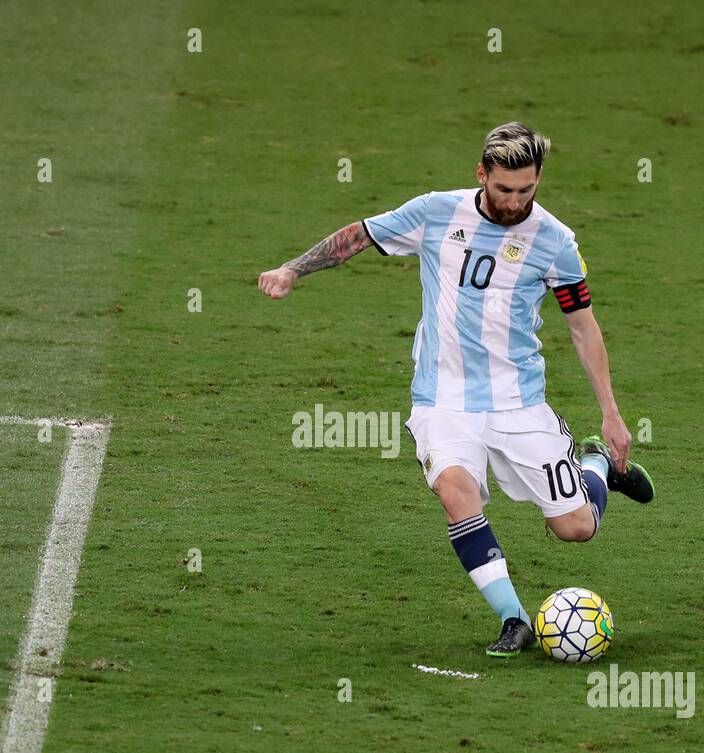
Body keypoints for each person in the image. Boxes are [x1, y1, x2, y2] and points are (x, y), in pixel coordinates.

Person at [258, 121, 654, 657]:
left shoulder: (556, 242)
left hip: (518, 402)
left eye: (527, 190)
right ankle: (513, 618)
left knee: (576, 529)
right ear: (481, 174)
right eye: (504, 189)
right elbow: (359, 235)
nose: (515, 201)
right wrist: (292, 269)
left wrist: (611, 412)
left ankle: (596, 465)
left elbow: (583, 326)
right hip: (441, 400)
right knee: (454, 490)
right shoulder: (435, 212)